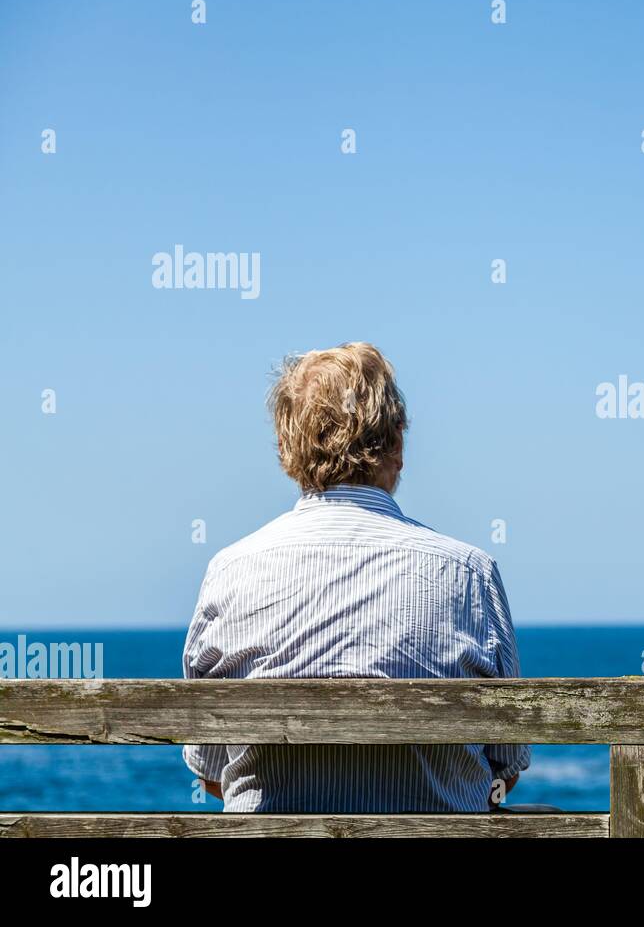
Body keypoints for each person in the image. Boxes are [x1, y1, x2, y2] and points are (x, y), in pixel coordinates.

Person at [181, 342, 528, 812]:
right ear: (398, 446)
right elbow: (505, 766)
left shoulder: (229, 572)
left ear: (286, 448)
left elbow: (213, 774)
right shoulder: (469, 575)